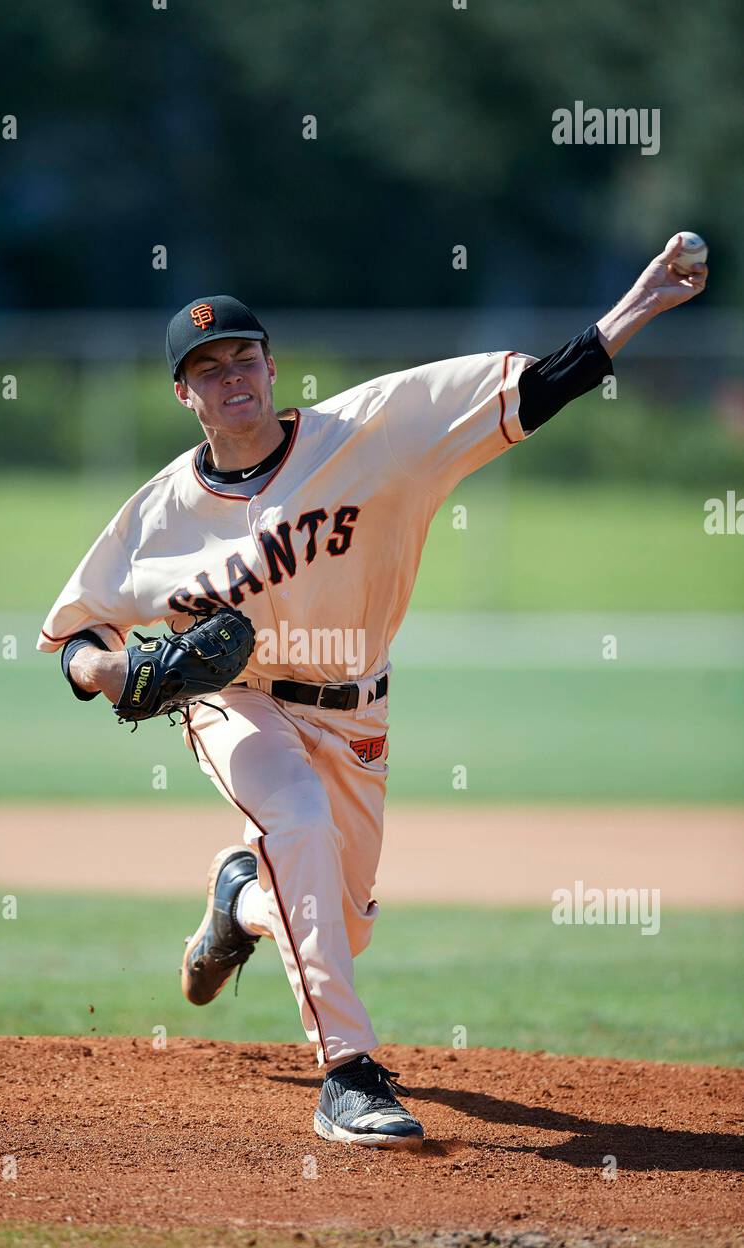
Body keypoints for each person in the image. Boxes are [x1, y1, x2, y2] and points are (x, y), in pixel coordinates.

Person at [38, 236, 707, 1150]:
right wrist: (110, 670)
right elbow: (75, 633)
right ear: (183, 395)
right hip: (237, 702)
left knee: (337, 926)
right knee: (299, 826)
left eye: (243, 357)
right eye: (207, 368)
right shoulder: (157, 515)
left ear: (272, 366)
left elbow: (535, 390)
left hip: (357, 711)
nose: (231, 376)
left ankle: (240, 898)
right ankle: (348, 1075)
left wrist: (635, 309)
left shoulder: (375, 433)